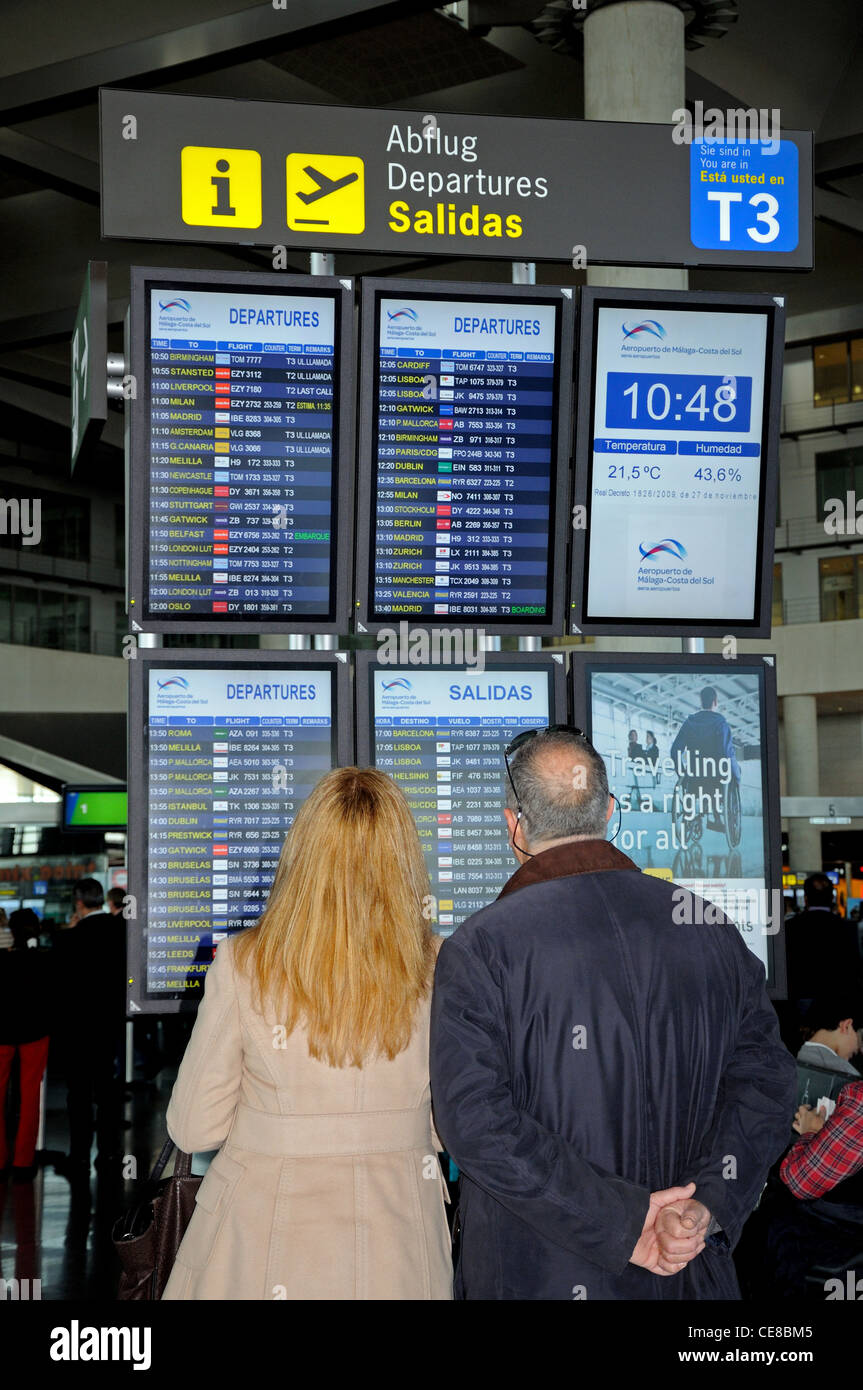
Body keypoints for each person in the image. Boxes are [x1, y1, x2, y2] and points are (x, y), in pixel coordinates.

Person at [429, 727, 796, 1300]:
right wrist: (704, 1206)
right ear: (609, 811)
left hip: (538, 1275)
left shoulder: (480, 949)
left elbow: (475, 1125)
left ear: (514, 826)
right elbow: (768, 1086)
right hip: (689, 1274)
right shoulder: (711, 930)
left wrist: (624, 1223)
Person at [162, 768, 452, 1301]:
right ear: (404, 856)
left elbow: (194, 1128)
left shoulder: (244, 963)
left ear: (303, 850)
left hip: (260, 1233)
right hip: (402, 1237)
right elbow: (452, 1124)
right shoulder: (439, 965)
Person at [52, 878, 126, 1178]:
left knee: (79, 1094)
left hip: (77, 1029)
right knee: (107, 1089)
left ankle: (80, 1156)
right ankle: (109, 1152)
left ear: (79, 903)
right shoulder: (119, 930)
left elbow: (58, 987)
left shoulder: (69, 939)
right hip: (109, 1023)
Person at [0, 910, 53, 1180]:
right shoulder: (42, 960)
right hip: (35, 1032)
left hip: (2, 1035)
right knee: (30, 1095)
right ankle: (23, 1161)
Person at [781, 876, 863, 1048]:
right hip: (837, 1008)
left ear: (805, 899)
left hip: (798, 1009)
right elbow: (855, 971)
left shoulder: (790, 927)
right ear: (832, 898)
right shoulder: (848, 929)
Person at [796, 996, 863, 1079]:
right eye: (860, 1041)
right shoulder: (848, 1076)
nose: (861, 1050)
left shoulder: (782, 1049)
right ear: (846, 1026)